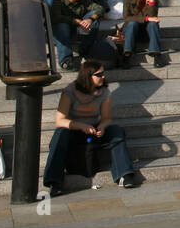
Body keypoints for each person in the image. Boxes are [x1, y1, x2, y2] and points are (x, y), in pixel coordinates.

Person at [42, 60, 138, 194]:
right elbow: (59, 121)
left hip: (94, 130)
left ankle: (125, 175)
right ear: (88, 76)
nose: (103, 77)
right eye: (99, 75)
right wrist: (81, 126)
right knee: (60, 134)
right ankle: (54, 181)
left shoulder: (104, 92)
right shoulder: (70, 91)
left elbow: (106, 118)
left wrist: (103, 127)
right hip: (74, 130)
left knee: (116, 131)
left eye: (103, 73)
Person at [50, 0, 105, 70]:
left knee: (94, 19)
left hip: (77, 30)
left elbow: (100, 8)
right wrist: (76, 21)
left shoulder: (83, 0)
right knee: (62, 25)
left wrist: (90, 19)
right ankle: (66, 60)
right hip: (59, 33)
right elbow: (56, 17)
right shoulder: (58, 0)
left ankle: (84, 51)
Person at [121, 0, 167, 67]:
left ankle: (156, 54)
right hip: (131, 31)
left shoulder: (154, 1)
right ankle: (127, 55)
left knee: (153, 24)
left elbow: (153, 17)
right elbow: (126, 18)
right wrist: (146, 19)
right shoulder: (128, 0)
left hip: (145, 33)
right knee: (132, 23)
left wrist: (151, 5)